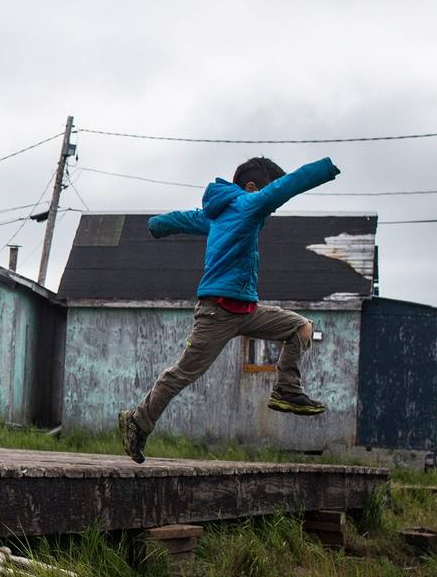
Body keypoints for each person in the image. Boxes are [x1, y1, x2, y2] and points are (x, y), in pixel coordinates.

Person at [117, 157, 341, 463]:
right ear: (251, 188)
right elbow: (287, 186)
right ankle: (138, 420)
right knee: (183, 372)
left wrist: (158, 225)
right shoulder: (249, 205)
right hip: (217, 313)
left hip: (246, 310)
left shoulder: (220, 216)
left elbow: (185, 219)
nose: (270, 210)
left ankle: (286, 389)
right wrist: (326, 169)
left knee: (301, 328)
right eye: (267, 197)